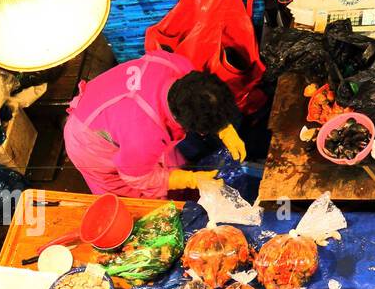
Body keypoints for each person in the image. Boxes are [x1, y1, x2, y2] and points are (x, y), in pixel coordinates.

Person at [63, 50, 248, 198]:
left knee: (170, 165)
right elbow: (139, 178)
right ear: (185, 124)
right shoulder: (142, 136)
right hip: (87, 141)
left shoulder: (176, 65)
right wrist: (190, 180)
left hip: (110, 111)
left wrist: (225, 129)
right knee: (140, 199)